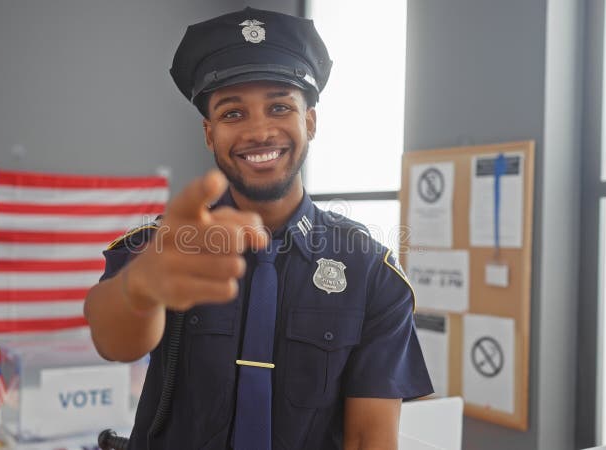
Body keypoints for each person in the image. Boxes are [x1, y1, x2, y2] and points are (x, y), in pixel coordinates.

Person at [83, 7, 432, 450]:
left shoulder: (369, 269)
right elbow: (112, 340)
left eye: (279, 106)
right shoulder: (167, 245)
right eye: (232, 114)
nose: (259, 131)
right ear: (209, 134)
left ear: (309, 122)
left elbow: (369, 438)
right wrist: (139, 287)